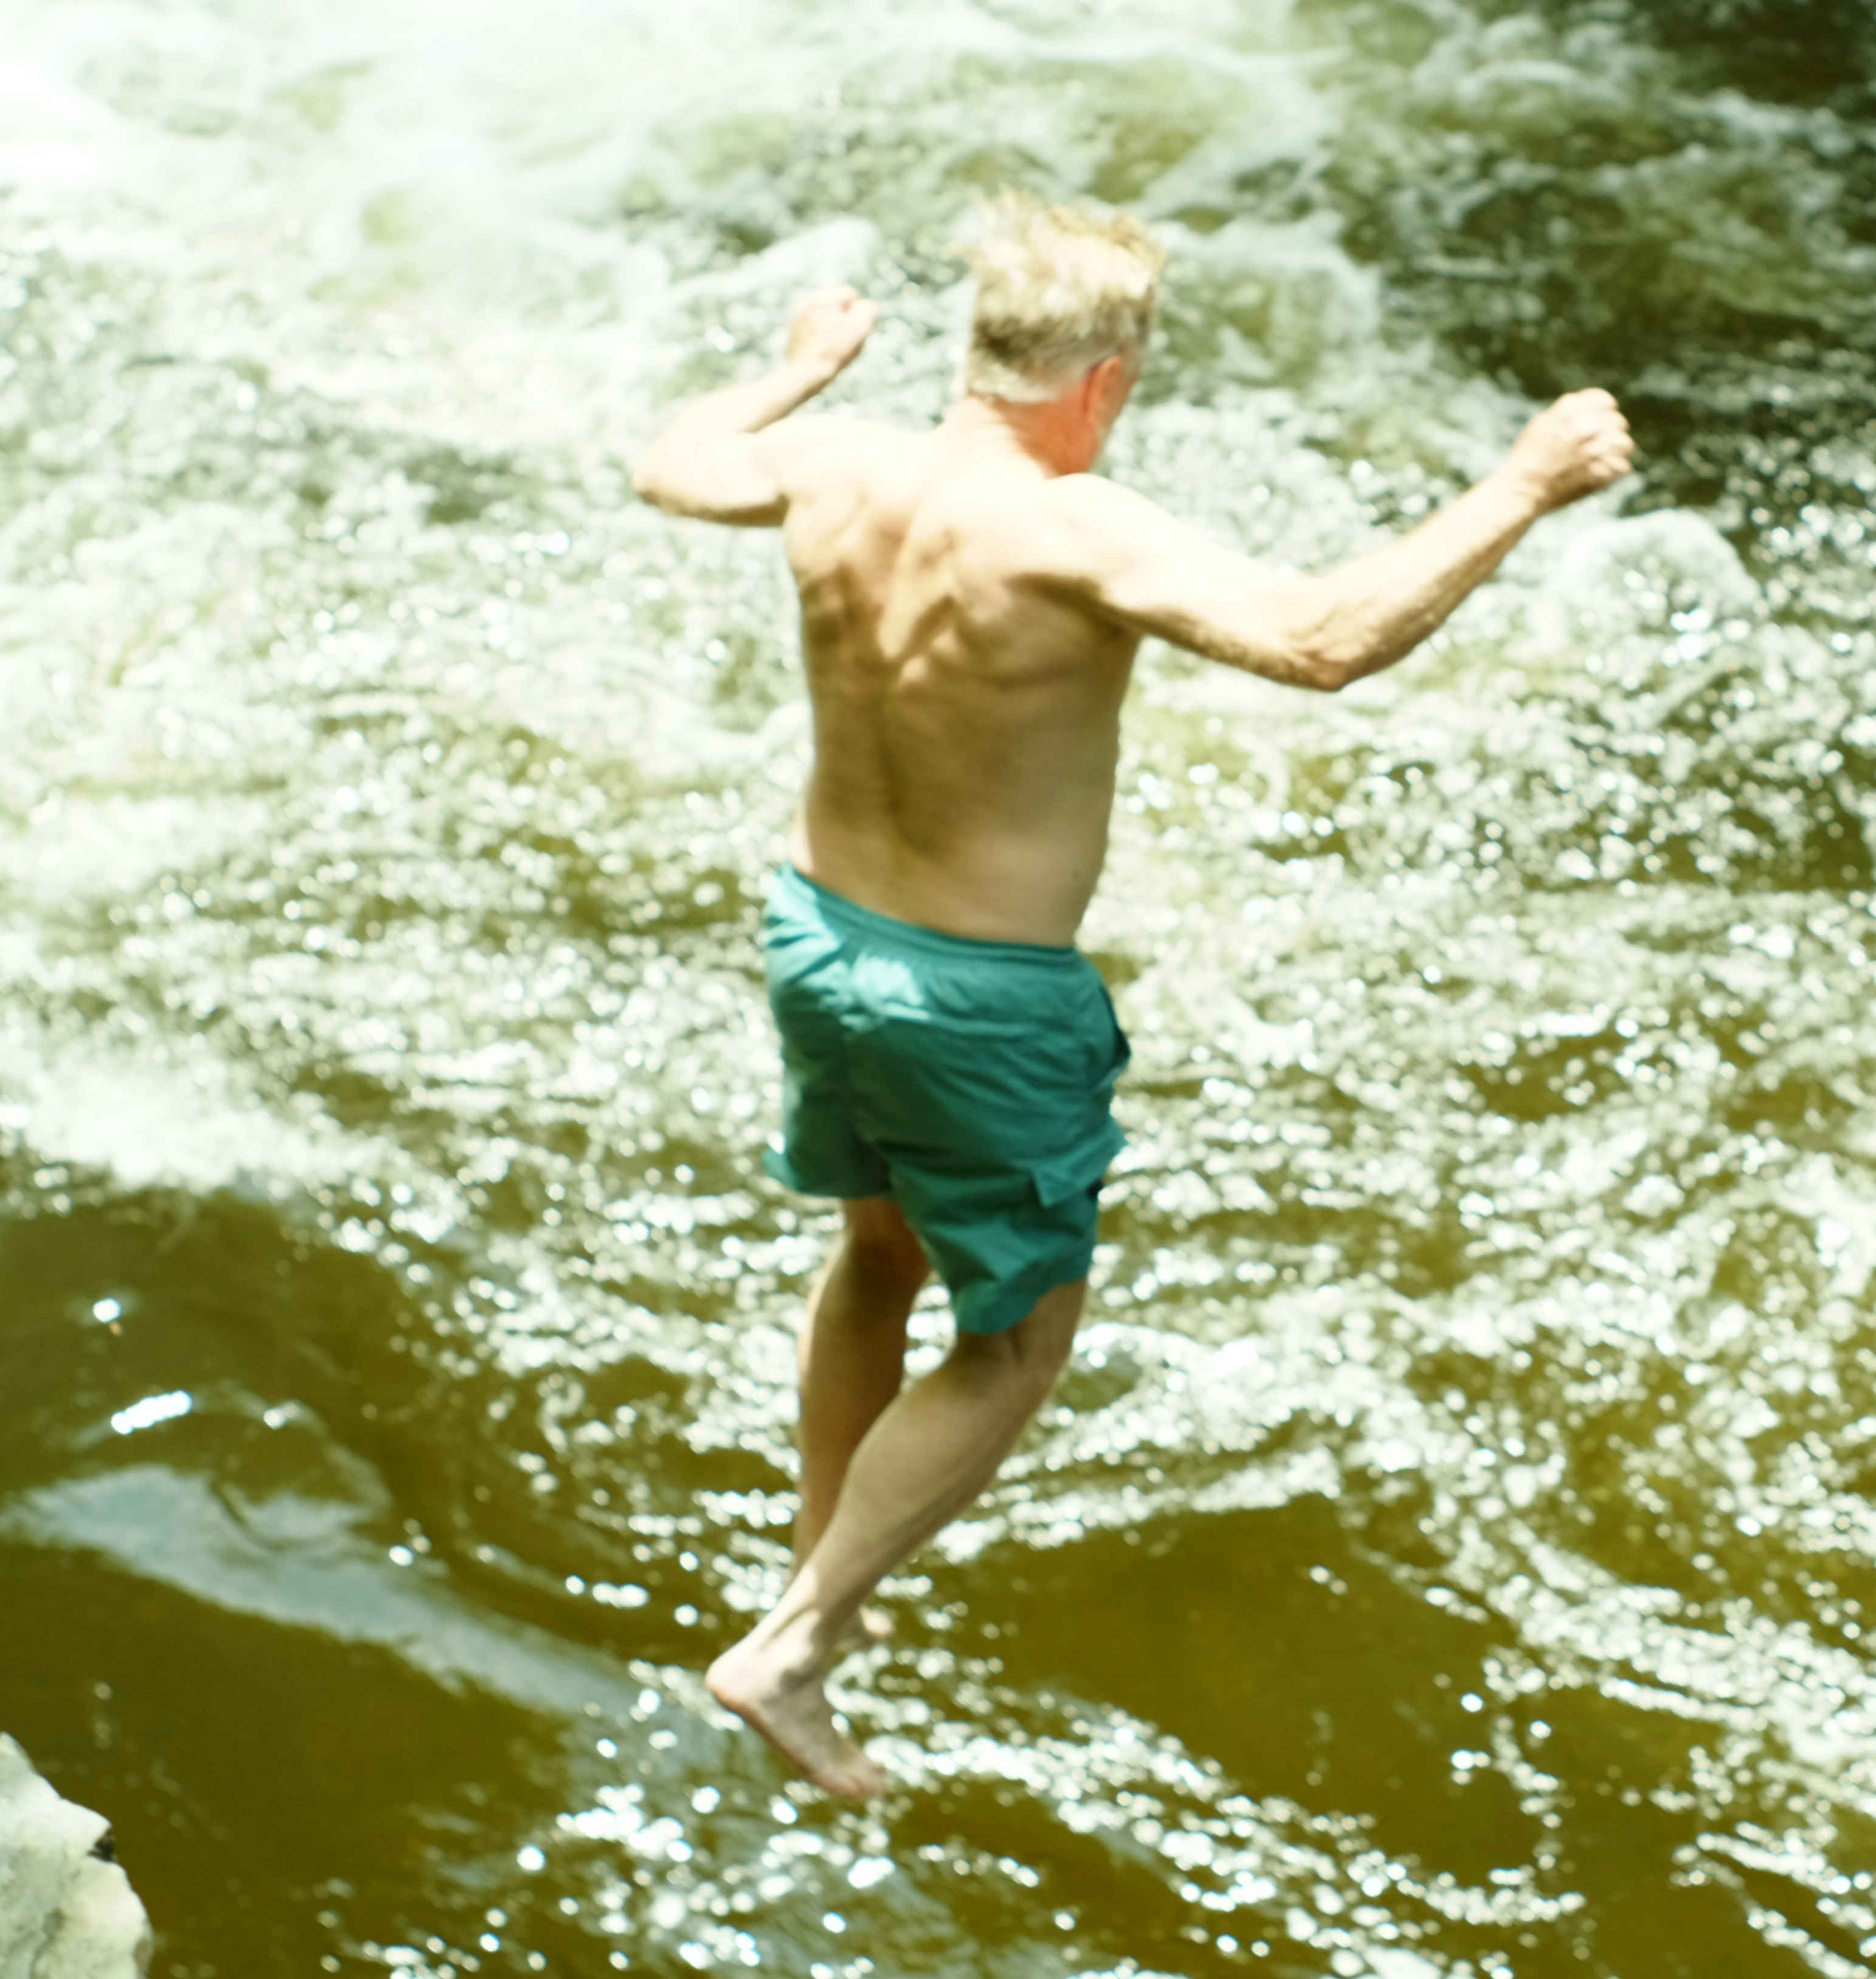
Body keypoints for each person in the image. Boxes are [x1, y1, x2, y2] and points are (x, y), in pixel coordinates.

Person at [628, 192, 1633, 1797]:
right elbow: (1321, 642)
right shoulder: (1075, 529)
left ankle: (832, 1549)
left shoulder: (842, 467)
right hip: (980, 999)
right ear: (1108, 377)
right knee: (1017, 1344)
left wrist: (799, 369)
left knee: (874, 1252)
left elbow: (671, 461)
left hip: (821, 943)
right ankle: (799, 1641)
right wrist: (1520, 486)